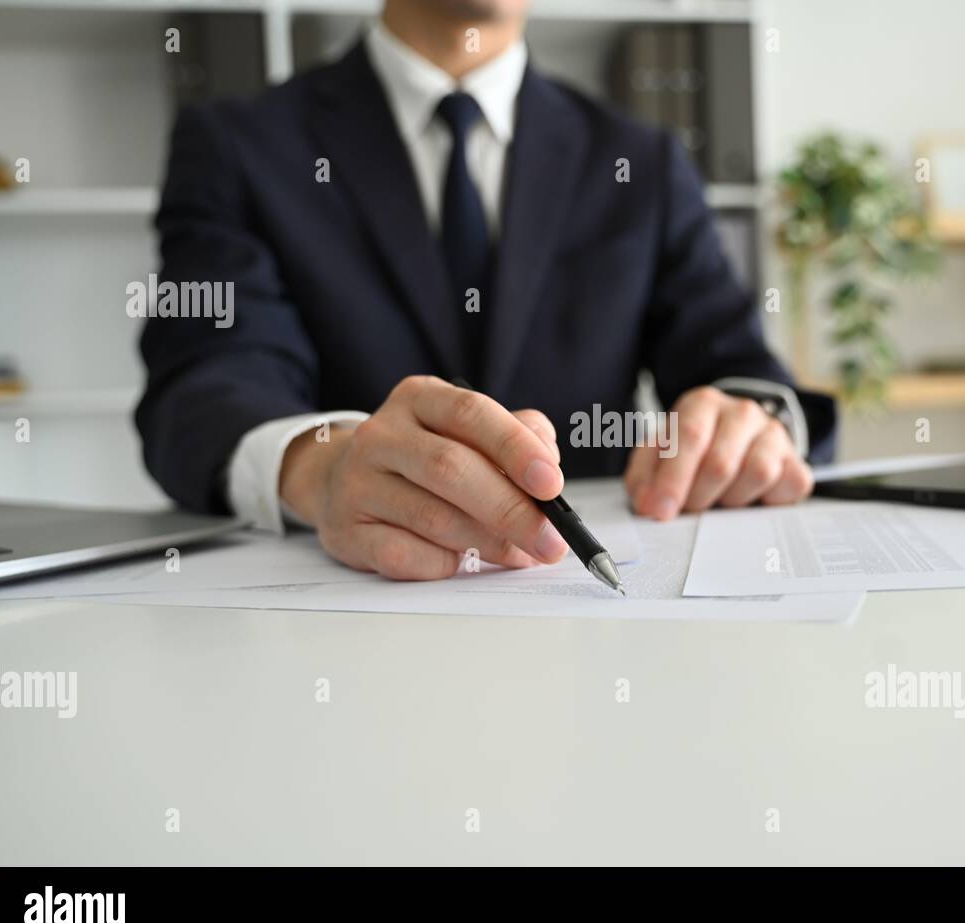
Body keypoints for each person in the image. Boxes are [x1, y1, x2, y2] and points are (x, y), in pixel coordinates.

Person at [137, 0, 836, 580]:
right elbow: (204, 384)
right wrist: (321, 469)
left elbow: (736, 366)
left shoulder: (641, 161)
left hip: (580, 627)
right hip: (338, 620)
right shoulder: (238, 144)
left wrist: (746, 427)